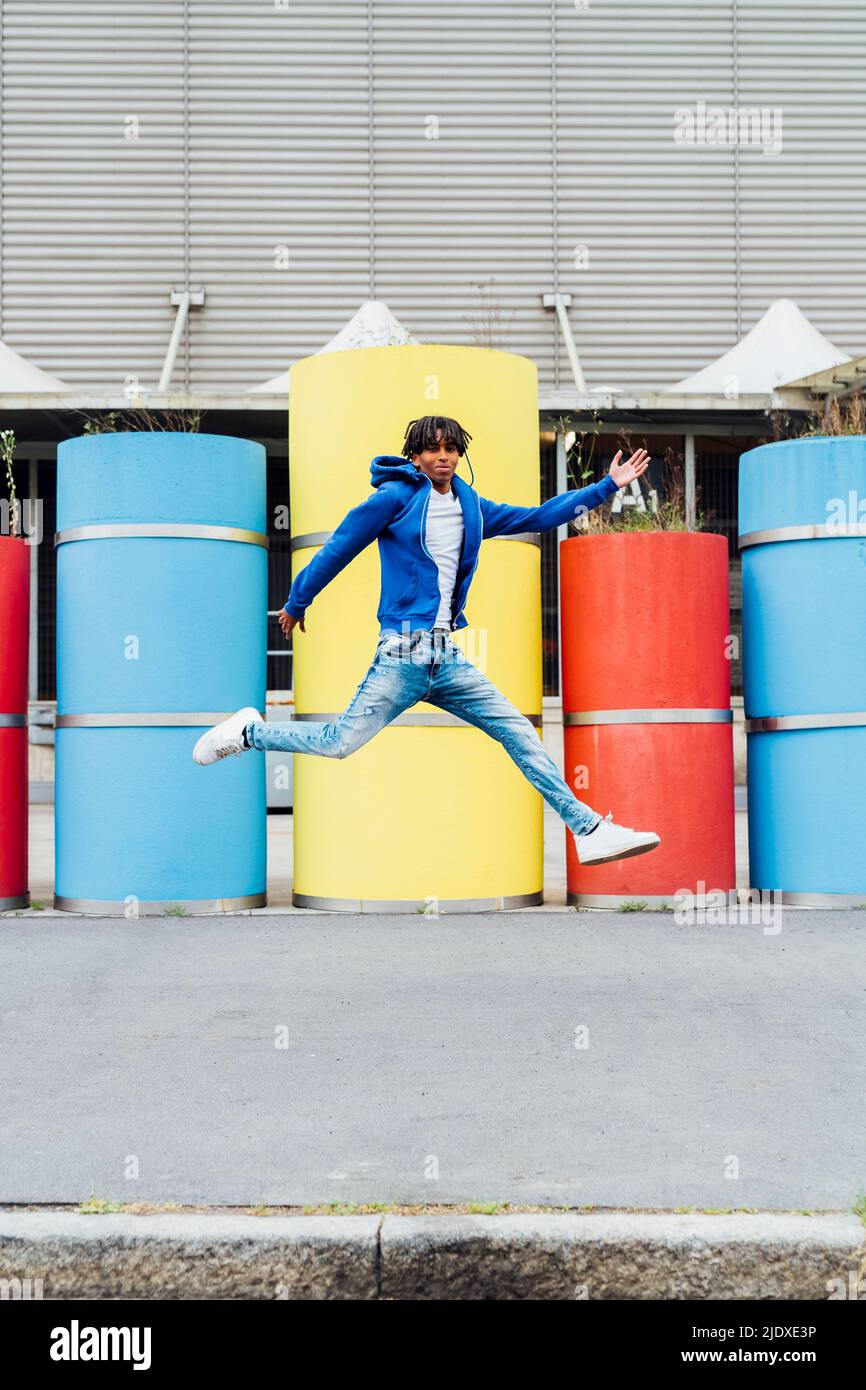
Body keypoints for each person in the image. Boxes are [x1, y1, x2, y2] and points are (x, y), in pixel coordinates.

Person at [193, 416, 660, 866]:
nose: (444, 457)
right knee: (338, 743)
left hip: (448, 658)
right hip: (402, 654)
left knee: (518, 731)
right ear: (414, 455)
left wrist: (607, 487)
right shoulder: (392, 500)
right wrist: (297, 601)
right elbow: (338, 548)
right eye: (433, 448)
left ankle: (590, 830)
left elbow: (538, 518)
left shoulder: (471, 506)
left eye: (452, 448)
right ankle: (247, 733)